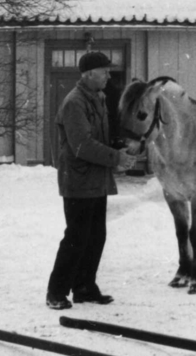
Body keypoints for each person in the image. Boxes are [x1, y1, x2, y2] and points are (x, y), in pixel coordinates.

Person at [46, 51, 138, 310]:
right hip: (78, 180)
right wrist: (115, 158)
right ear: (88, 74)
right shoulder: (75, 102)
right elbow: (81, 145)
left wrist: (122, 147)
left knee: (96, 236)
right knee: (76, 237)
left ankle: (85, 288)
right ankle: (56, 292)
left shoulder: (98, 98)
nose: (109, 75)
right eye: (104, 71)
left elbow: (99, 137)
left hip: (95, 179)